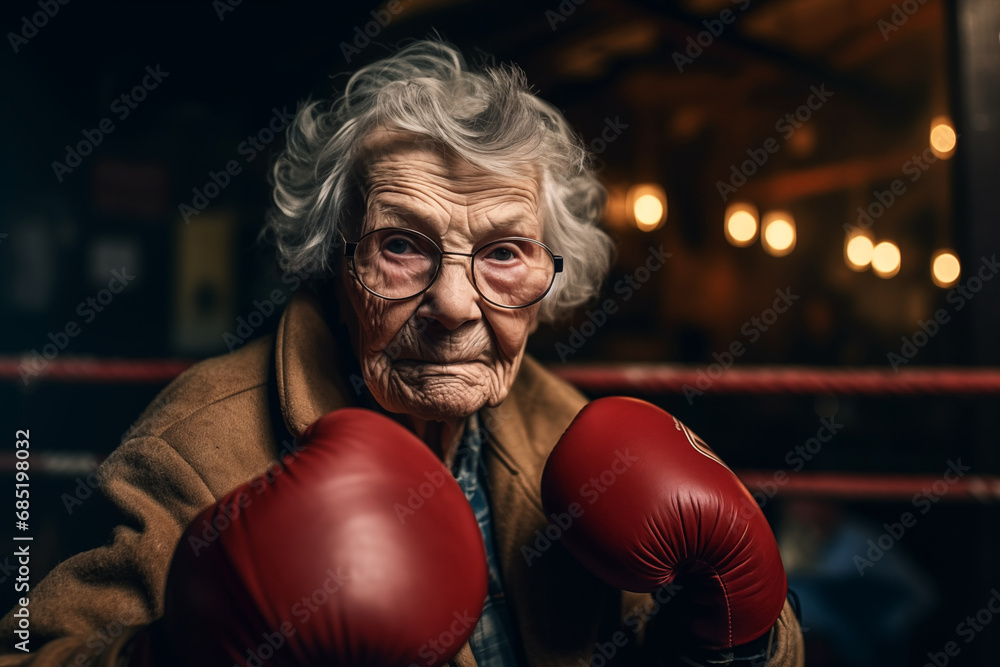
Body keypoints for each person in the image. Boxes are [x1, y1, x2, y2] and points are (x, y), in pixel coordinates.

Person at [0, 39, 803, 666]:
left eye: (504, 252)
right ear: (334, 257)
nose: (455, 305)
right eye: (403, 246)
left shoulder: (569, 431)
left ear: (550, 277)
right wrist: (173, 655)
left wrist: (731, 631)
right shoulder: (199, 446)